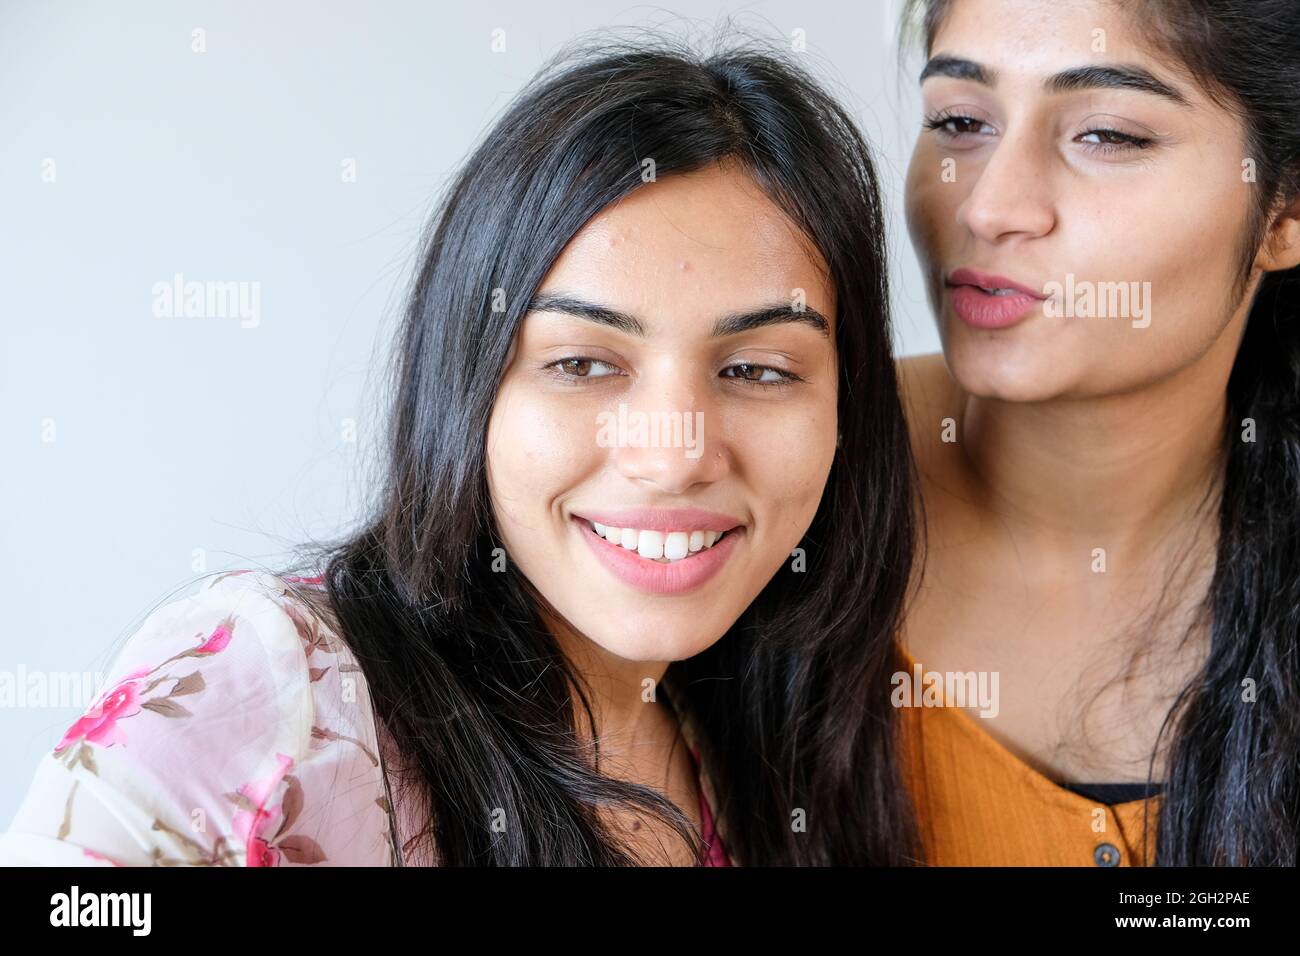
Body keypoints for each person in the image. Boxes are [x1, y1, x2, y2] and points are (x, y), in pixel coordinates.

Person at [0, 36, 919, 866]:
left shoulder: (769, 744)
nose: (674, 456)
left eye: (758, 370)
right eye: (585, 363)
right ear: (466, 385)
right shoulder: (278, 693)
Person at [896, 0, 1300, 865]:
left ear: (1283, 211)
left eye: (1108, 136)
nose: (992, 207)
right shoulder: (770, 484)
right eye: (960, 122)